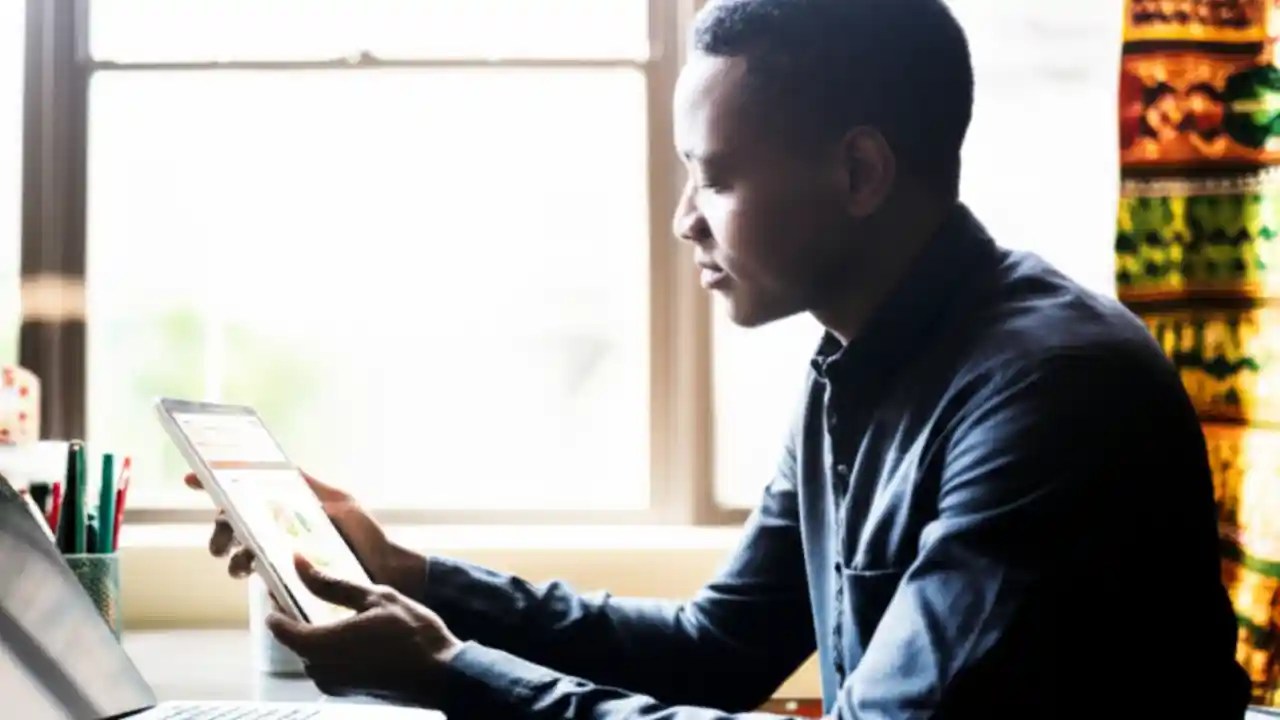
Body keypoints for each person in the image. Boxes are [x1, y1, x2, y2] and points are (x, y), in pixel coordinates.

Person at [190, 0, 1252, 716]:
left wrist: (451, 674)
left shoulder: (1048, 396)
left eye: (716, 177)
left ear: (859, 170)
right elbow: (715, 650)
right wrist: (406, 575)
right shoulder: (853, 360)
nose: (682, 221)